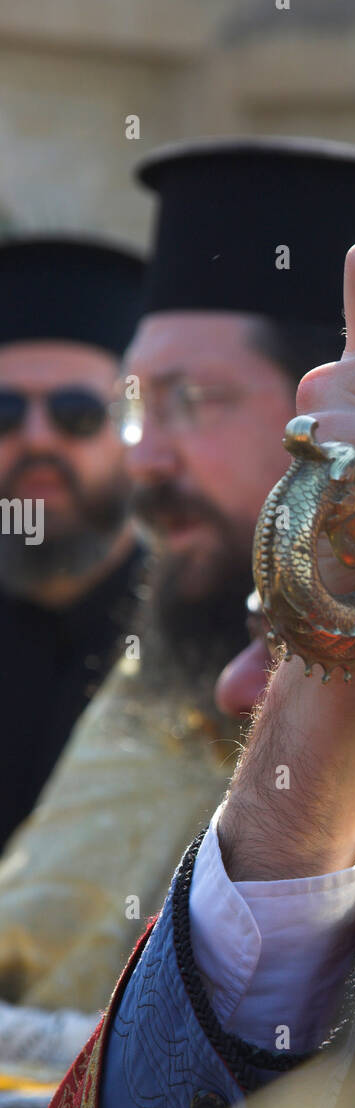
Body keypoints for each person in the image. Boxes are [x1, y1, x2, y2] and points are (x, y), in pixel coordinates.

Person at [0, 137, 355, 1019]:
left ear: (347, 412)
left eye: (194, 399)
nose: (145, 460)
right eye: (139, 404)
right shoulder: (168, 653)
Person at [0, 236, 144, 852]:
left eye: (76, 412)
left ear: (133, 428)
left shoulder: (196, 637)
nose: (37, 441)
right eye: (4, 412)